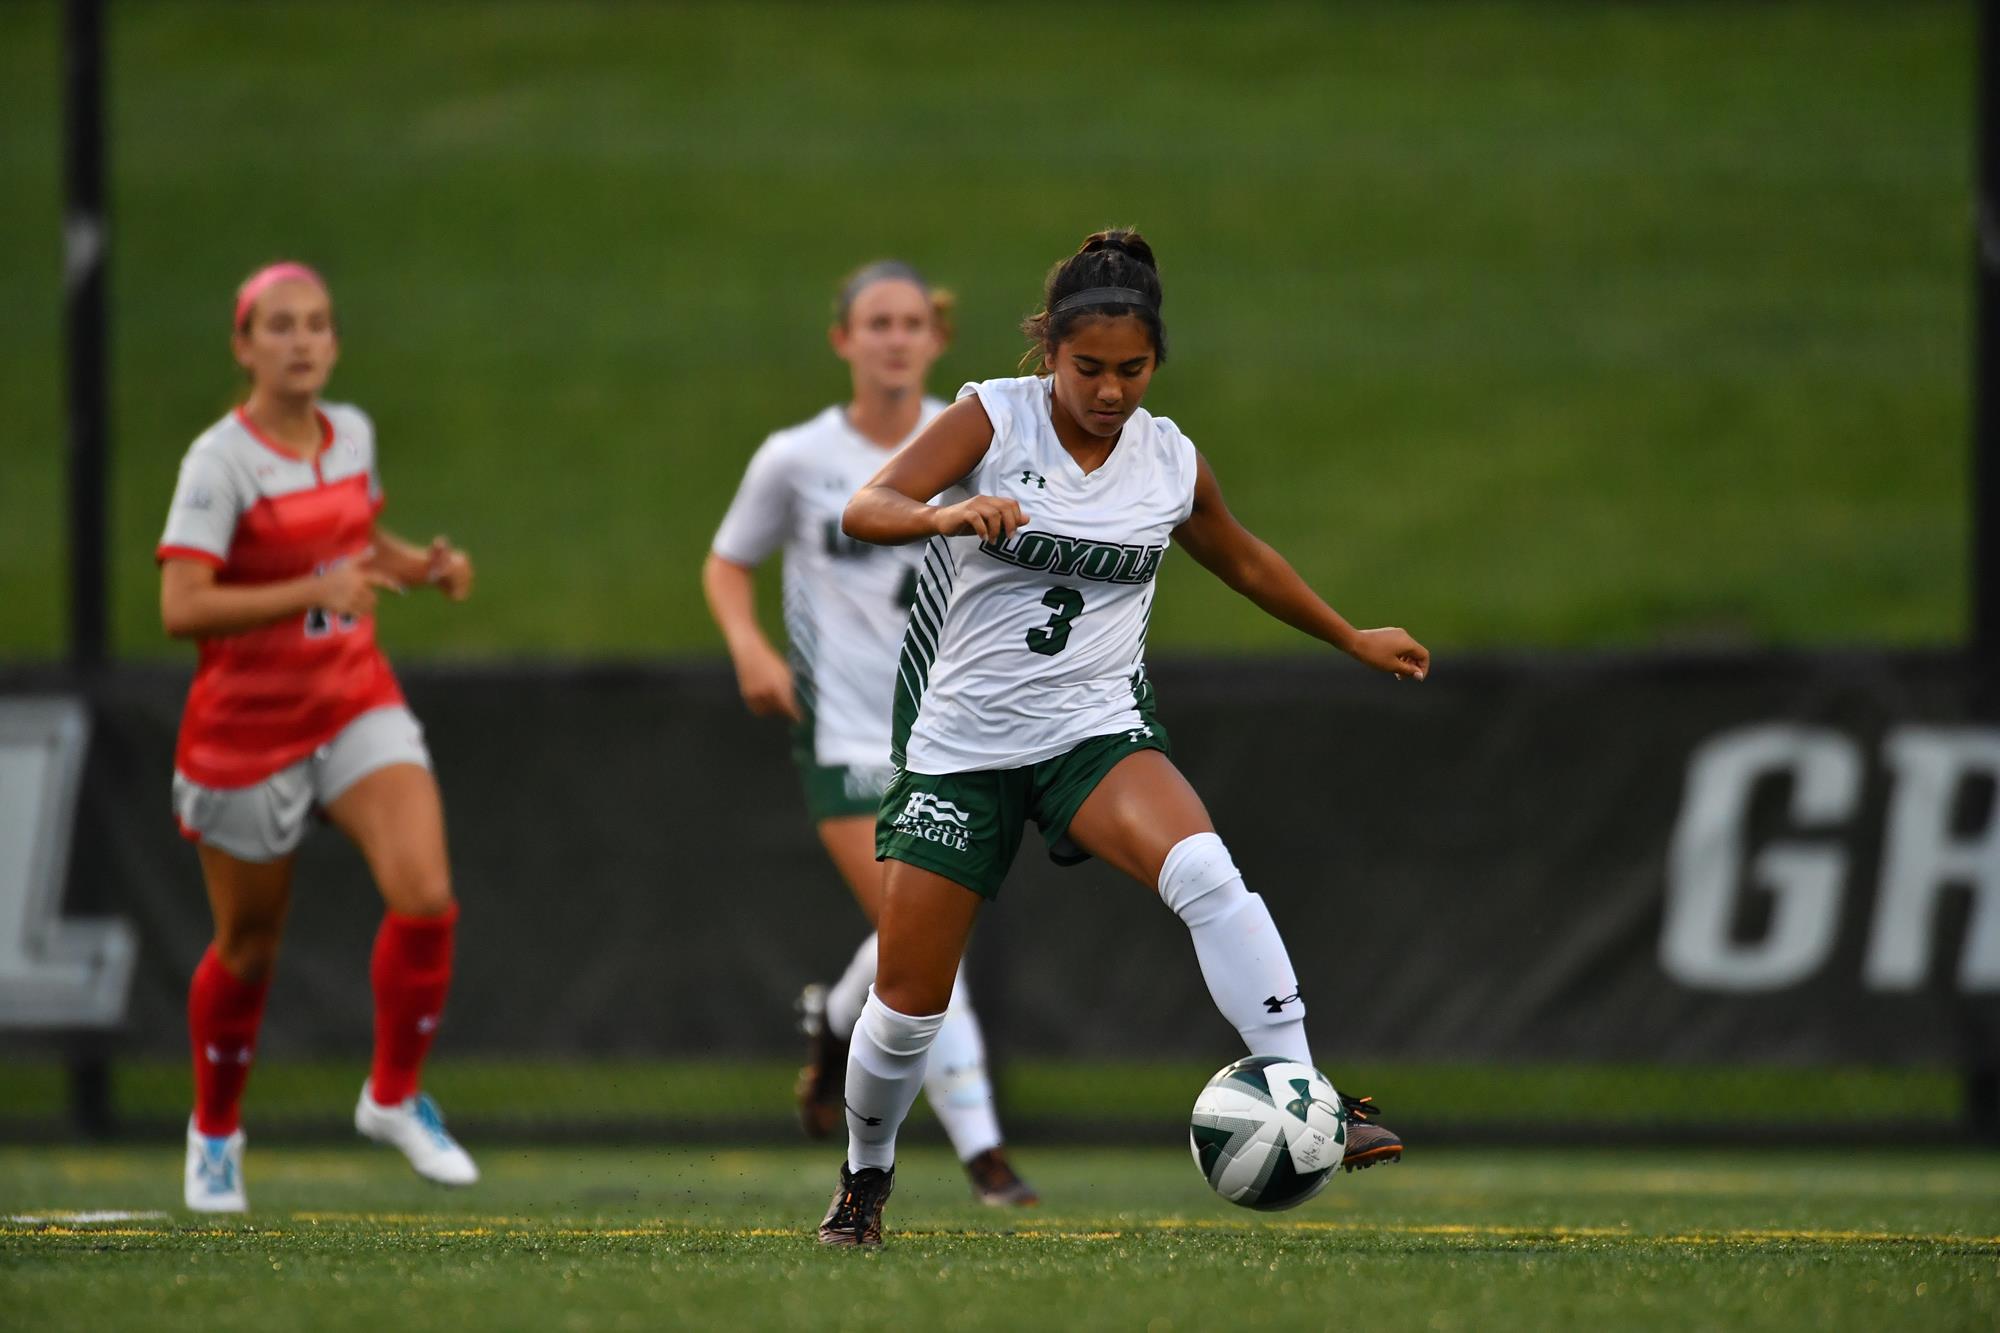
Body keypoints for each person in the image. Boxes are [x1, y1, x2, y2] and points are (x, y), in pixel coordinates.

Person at [816, 230, 1429, 1246]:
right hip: (960, 745)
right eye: (1086, 368)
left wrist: (1348, 635)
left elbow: (1239, 557)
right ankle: (863, 1176)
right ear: (1048, 354)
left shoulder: (1167, 458)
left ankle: (1303, 1086)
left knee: (1204, 871)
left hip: (1092, 728)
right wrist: (948, 514)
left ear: (1155, 363)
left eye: (1129, 369)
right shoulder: (992, 416)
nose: (1107, 390)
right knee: (908, 1001)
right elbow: (865, 505)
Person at [703, 261, 1035, 1206]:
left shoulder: (975, 442)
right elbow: (728, 562)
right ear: (843, 341)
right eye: (875, 323)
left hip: (952, 729)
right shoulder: (796, 457)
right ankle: (987, 1156)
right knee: (926, 935)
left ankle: (836, 1022)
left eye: (911, 323)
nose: (895, 338)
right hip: (844, 733)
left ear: (937, 337)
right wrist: (748, 645)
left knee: (914, 937)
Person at [158, 262, 479, 1213]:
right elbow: (180, 605)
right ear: (243, 344)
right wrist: (311, 591)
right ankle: (215, 1130)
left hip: (350, 699)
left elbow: (355, 540)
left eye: (317, 325)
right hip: (245, 731)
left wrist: (419, 567)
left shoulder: (353, 434)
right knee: (248, 947)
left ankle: (391, 1096)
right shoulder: (219, 460)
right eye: (280, 326)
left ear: (336, 342)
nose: (301, 342)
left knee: (426, 894)